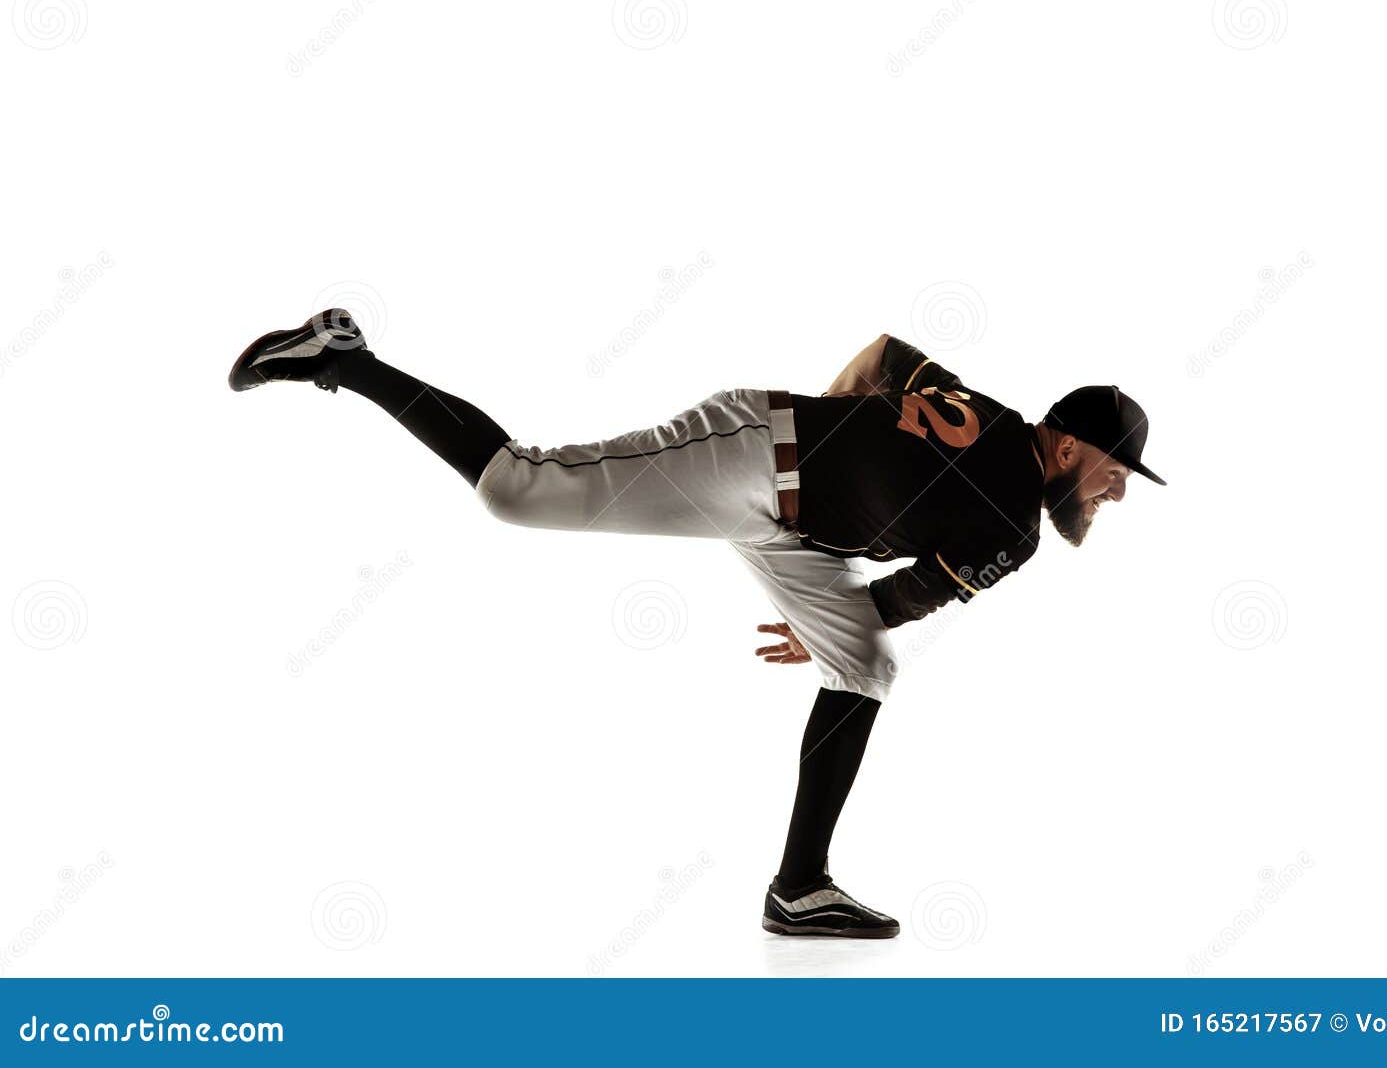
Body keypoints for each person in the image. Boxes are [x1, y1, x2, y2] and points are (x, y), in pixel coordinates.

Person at [229, 309, 1165, 938]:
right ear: (1072, 445)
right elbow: (918, 592)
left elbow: (882, 358)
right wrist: (835, 567)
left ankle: (799, 886)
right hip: (754, 461)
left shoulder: (990, 413)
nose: (1118, 488)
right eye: (1116, 470)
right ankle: (344, 359)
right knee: (521, 487)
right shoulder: (1019, 525)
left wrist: (839, 480)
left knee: (865, 671)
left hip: (789, 501)